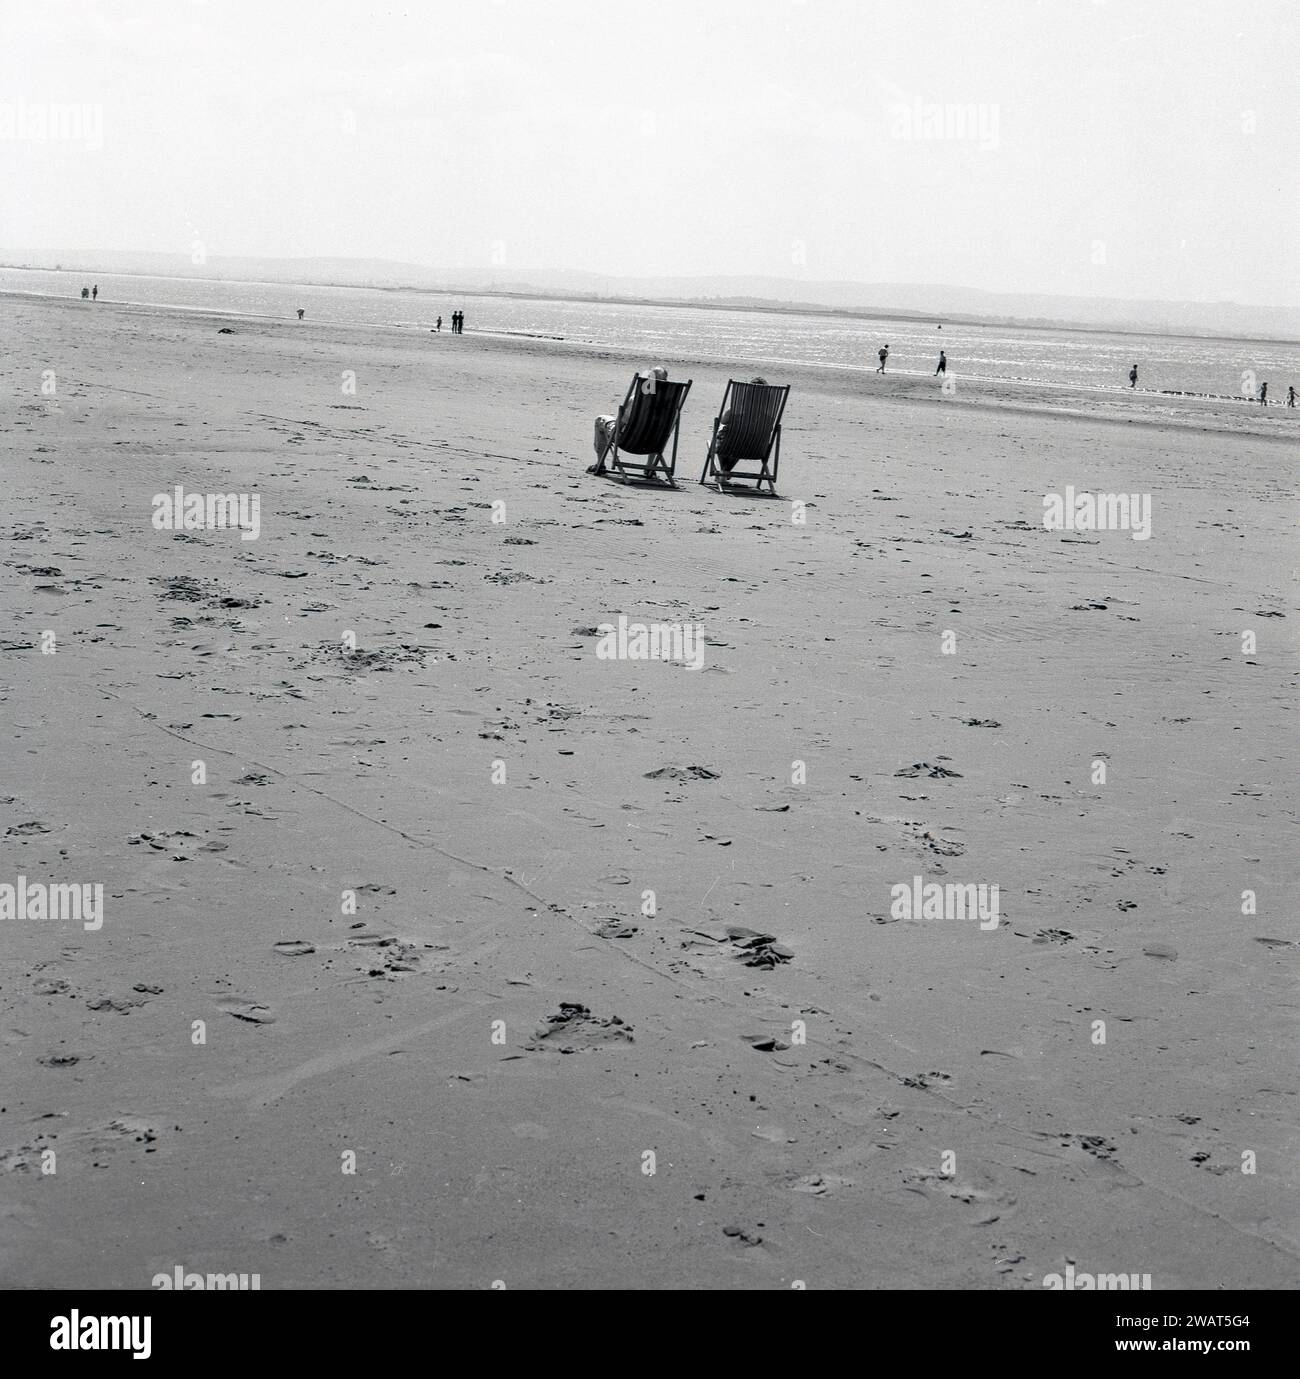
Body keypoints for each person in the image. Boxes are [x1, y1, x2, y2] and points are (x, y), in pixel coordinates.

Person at [588, 366, 668, 474]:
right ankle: (649, 467)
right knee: (655, 431)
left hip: (628, 440)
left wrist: (615, 429)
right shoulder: (670, 405)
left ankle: (600, 464)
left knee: (600, 420)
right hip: (655, 443)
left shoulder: (637, 400)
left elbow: (620, 424)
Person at [712, 377, 769, 480]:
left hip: (731, 445)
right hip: (757, 449)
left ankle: (724, 470)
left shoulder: (736, 409)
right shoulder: (767, 414)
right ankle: (726, 470)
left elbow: (723, 421)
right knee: (743, 439)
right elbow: (771, 428)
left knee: (727, 437)